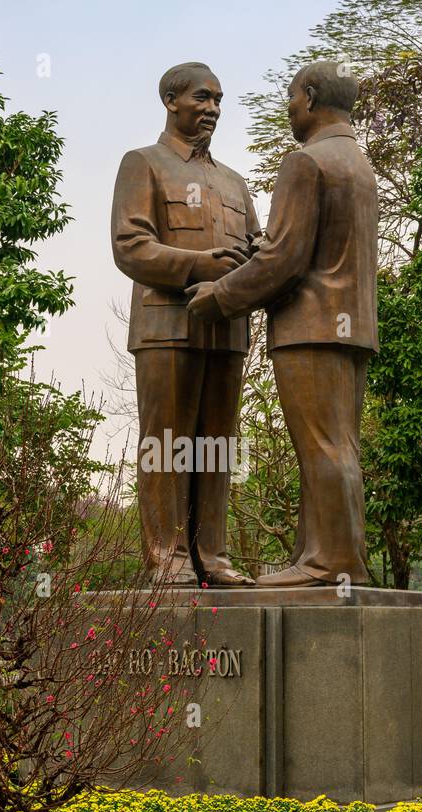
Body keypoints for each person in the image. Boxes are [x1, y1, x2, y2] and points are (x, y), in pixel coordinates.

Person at [187, 60, 378, 586]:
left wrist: (220, 295)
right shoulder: (358, 164)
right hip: (352, 327)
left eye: (292, 97)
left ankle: (328, 563)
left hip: (310, 326)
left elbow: (285, 262)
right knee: (340, 444)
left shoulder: (306, 163)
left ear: (311, 98)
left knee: (321, 444)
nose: (289, 108)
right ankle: (332, 558)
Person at [112, 62, 260, 585]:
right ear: (171, 100)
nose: (213, 109)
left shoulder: (234, 182)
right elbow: (130, 248)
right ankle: (167, 557)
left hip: (227, 332)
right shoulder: (144, 164)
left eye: (219, 100)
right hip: (165, 329)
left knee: (217, 446)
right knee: (167, 443)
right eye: (202, 98)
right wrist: (201, 265)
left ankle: (212, 556)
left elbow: (256, 253)